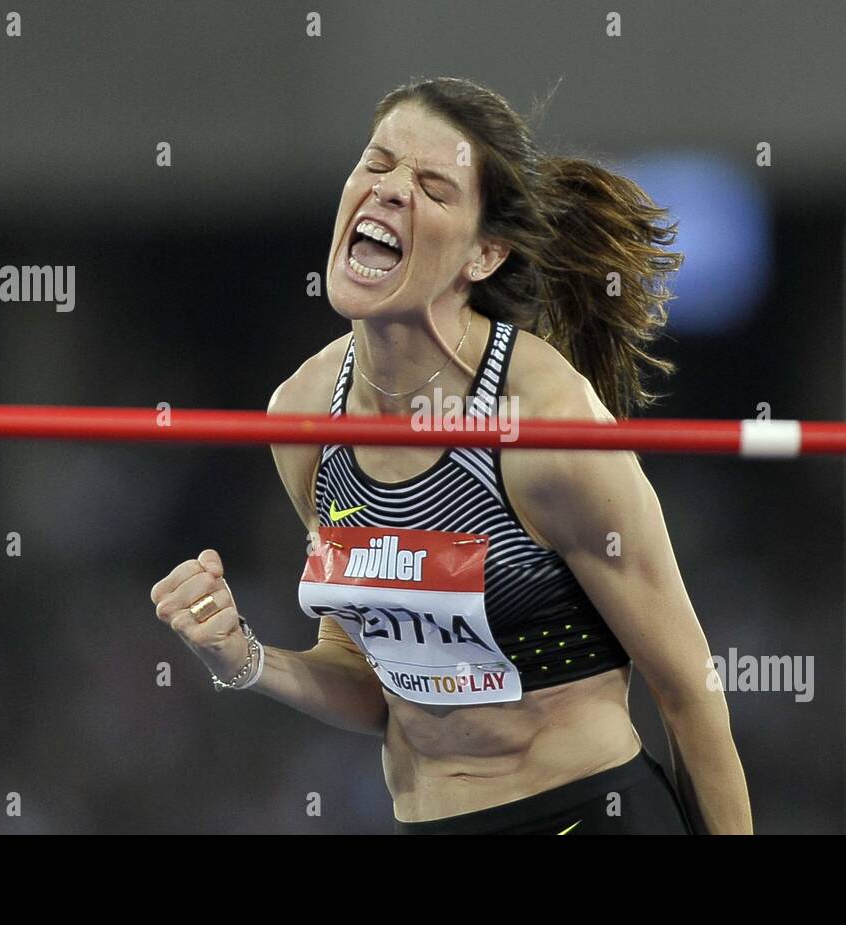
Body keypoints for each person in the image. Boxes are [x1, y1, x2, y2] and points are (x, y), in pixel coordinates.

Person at [151, 77, 752, 835]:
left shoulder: (545, 423)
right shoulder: (303, 416)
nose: (391, 191)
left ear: (483, 253)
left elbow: (688, 689)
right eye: (377, 163)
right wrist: (246, 659)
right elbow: (373, 684)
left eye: (433, 187)